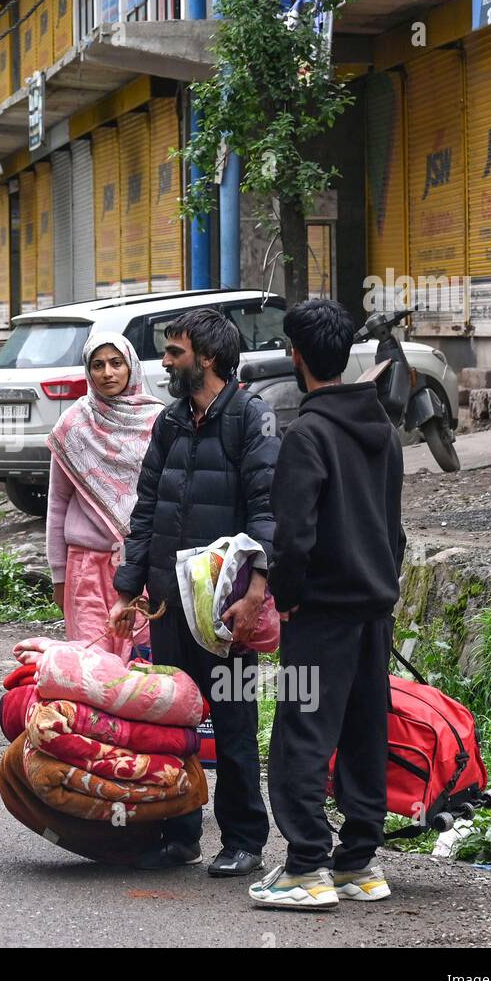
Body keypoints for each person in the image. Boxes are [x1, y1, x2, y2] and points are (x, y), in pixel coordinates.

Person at [109, 308, 280, 875]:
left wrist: (256, 590)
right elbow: (147, 508)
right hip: (167, 602)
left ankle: (245, 842)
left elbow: (266, 513)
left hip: (225, 607)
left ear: (205, 358)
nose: (165, 361)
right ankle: (179, 834)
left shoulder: (249, 420)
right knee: (172, 723)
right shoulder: (171, 421)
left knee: (233, 722)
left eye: (175, 352)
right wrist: (128, 588)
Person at [250, 299, 405, 909]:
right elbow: (393, 529)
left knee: (301, 737)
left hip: (322, 613)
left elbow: (295, 537)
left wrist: (286, 598)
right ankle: (360, 864)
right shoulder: (384, 431)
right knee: (365, 730)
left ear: (297, 357)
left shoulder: (307, 435)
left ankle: (306, 867)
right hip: (374, 607)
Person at [46, 332, 161, 658]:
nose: (107, 373)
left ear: (131, 367)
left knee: (141, 664)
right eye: (98, 365)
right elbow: (57, 503)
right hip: (86, 568)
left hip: (141, 564)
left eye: (116, 363)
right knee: (92, 663)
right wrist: (58, 577)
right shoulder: (73, 425)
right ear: (88, 371)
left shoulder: (156, 420)